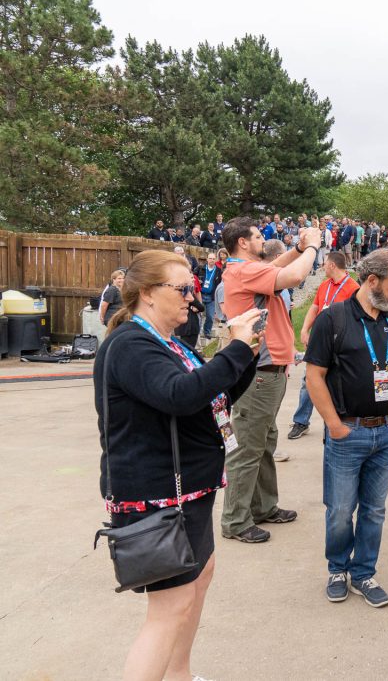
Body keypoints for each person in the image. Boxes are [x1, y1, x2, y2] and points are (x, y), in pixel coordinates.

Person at [94, 250, 261, 681]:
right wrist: (235, 350)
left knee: (197, 581)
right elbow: (179, 395)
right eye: (183, 288)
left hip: (188, 490)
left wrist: (244, 353)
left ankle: (180, 674)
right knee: (168, 609)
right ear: (148, 294)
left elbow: (210, 398)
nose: (194, 296)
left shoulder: (169, 343)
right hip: (157, 496)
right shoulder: (130, 343)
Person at [303, 249, 388, 607]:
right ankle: (337, 568)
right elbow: (313, 376)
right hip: (346, 434)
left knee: (374, 510)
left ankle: (364, 573)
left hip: (386, 433)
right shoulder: (333, 320)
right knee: (339, 510)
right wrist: (334, 426)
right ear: (372, 281)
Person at [218, 216, 320, 543]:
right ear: (243, 242)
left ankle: (263, 506)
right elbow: (295, 275)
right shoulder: (243, 270)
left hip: (266, 371)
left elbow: (277, 266)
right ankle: (236, 521)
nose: (264, 240)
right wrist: (313, 246)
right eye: (259, 236)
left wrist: (298, 248)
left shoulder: (245, 269)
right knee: (248, 447)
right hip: (258, 372)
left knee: (262, 442)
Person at [288, 252, 360, 441]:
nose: (322, 266)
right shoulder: (324, 285)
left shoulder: (353, 288)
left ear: (333, 265)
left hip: (340, 345)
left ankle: (339, 423)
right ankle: (301, 421)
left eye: (325, 263)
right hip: (320, 343)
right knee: (309, 381)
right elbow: (315, 307)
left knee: (340, 384)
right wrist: (305, 329)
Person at [197, 253, 221, 339]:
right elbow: (193, 276)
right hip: (200, 295)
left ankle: (207, 332)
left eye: (213, 259)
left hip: (211, 297)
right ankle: (198, 332)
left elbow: (220, 284)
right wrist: (197, 281)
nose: (212, 260)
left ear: (215, 260)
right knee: (198, 315)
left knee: (210, 316)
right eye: (210, 258)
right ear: (207, 259)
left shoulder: (218, 271)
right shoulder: (200, 268)